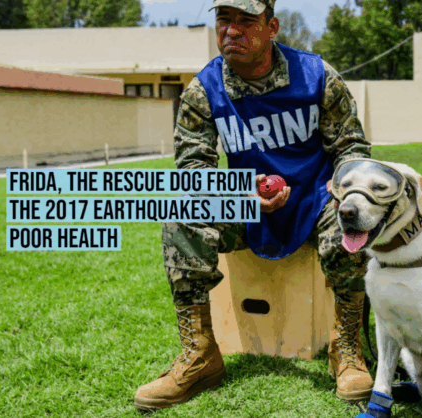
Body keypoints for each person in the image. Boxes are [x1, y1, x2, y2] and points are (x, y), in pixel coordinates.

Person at [133, 0, 374, 411]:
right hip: (247, 206)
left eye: (246, 22)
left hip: (314, 201)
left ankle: (345, 348)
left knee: (350, 214)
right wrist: (238, 195)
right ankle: (201, 355)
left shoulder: (316, 76)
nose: (232, 31)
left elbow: (351, 147)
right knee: (181, 208)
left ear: (272, 26)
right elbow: (193, 169)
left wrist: (344, 186)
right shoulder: (202, 89)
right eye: (224, 20)